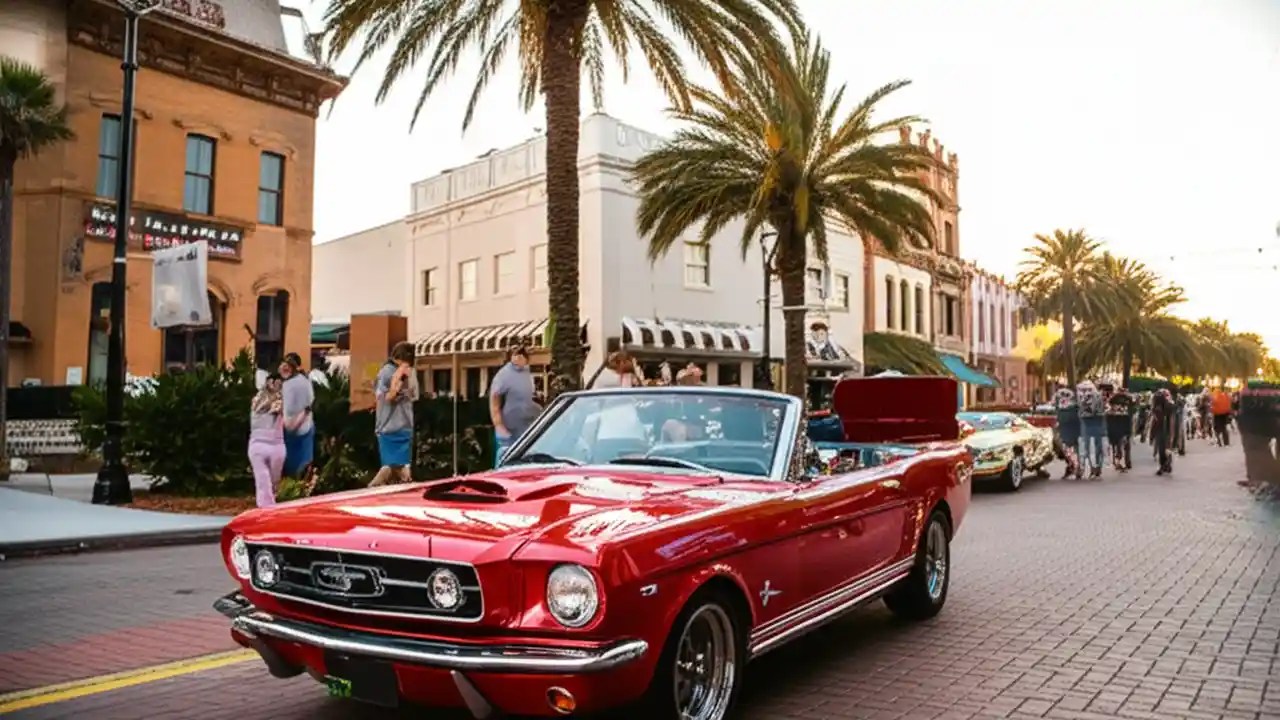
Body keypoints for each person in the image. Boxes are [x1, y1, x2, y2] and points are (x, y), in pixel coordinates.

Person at [370, 342, 418, 487]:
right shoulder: (387, 372)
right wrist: (399, 377)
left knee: (401, 465)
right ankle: (374, 487)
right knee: (391, 466)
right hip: (389, 426)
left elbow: (413, 394)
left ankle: (403, 483)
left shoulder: (405, 372)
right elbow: (389, 396)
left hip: (402, 425)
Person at [489, 346, 542, 465]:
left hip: (525, 429)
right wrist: (499, 426)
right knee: (505, 461)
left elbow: (528, 399)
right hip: (508, 432)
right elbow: (494, 401)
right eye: (517, 355)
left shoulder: (526, 373)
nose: (519, 359)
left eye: (522, 356)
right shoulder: (504, 375)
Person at [248, 372, 285, 507]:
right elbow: (263, 407)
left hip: (277, 445)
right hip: (258, 444)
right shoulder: (258, 399)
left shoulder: (282, 399)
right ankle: (266, 508)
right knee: (262, 478)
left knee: (274, 480)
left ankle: (271, 502)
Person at [279, 352, 315, 481]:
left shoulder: (288, 385)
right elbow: (311, 402)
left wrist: (292, 423)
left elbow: (287, 408)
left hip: (291, 429)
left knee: (293, 469)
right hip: (305, 426)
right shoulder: (305, 381)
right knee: (304, 468)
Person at [1076, 379, 1106, 479]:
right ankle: (1097, 468)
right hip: (1097, 422)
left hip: (1085, 422)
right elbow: (1101, 409)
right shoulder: (1098, 395)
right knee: (1098, 446)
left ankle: (1090, 468)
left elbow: (1078, 409)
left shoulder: (1079, 395)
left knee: (1086, 446)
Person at [1054, 387, 1081, 479]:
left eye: (1066, 396)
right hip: (1066, 429)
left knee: (1071, 450)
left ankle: (1075, 467)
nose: (1064, 398)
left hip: (1071, 429)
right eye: (1062, 396)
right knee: (1068, 450)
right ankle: (1073, 467)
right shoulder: (1060, 406)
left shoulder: (1074, 406)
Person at [1104, 385, 1133, 472]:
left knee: (1118, 445)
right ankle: (1125, 462)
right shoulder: (1128, 399)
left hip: (1118, 425)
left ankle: (1119, 461)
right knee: (1125, 445)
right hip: (1124, 424)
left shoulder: (1114, 399)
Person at [1151, 389, 1176, 475]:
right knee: (1165, 448)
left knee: (1163, 448)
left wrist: (1152, 433)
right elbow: (1154, 420)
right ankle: (1166, 464)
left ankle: (1165, 465)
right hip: (1164, 428)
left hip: (1163, 428)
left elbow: (1155, 420)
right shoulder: (1165, 406)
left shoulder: (1163, 407)